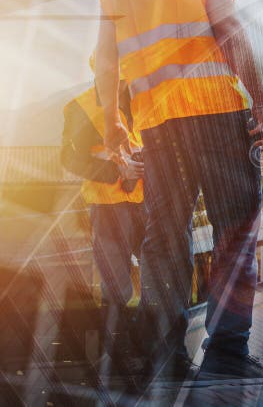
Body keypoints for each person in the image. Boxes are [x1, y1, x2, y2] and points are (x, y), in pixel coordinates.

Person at [94, 0, 263, 380]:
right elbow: (227, 24)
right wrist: (260, 99)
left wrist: (113, 122)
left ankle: (162, 356)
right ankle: (227, 354)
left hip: (157, 121)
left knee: (164, 239)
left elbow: (105, 58)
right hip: (215, 107)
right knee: (234, 232)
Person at [61, 56, 145, 376]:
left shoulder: (140, 101)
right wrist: (115, 170)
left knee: (159, 277)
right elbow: (69, 158)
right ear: (97, 70)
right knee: (116, 284)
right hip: (108, 205)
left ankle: (149, 347)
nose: (119, 79)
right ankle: (119, 355)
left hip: (147, 202)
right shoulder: (79, 107)